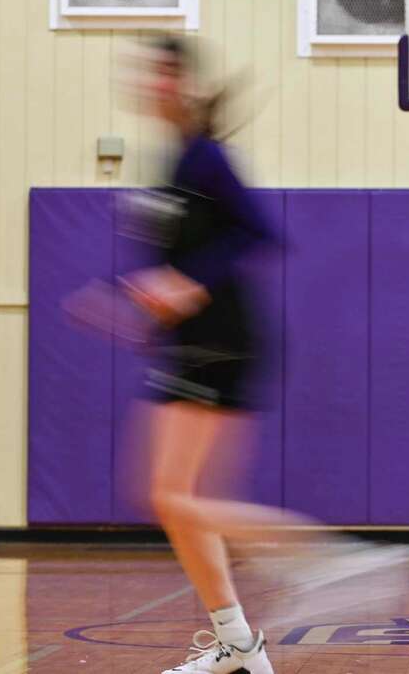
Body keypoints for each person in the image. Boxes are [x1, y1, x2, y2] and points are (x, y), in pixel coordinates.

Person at [123, 36, 278, 674]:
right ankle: (237, 644)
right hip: (189, 345)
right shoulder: (172, 161)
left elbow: (258, 230)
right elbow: (179, 260)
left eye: (163, 74)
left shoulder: (205, 157)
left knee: (172, 497)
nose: (151, 84)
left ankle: (322, 556)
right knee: (170, 499)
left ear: (184, 82)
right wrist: (151, 291)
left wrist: (188, 283)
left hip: (222, 344)